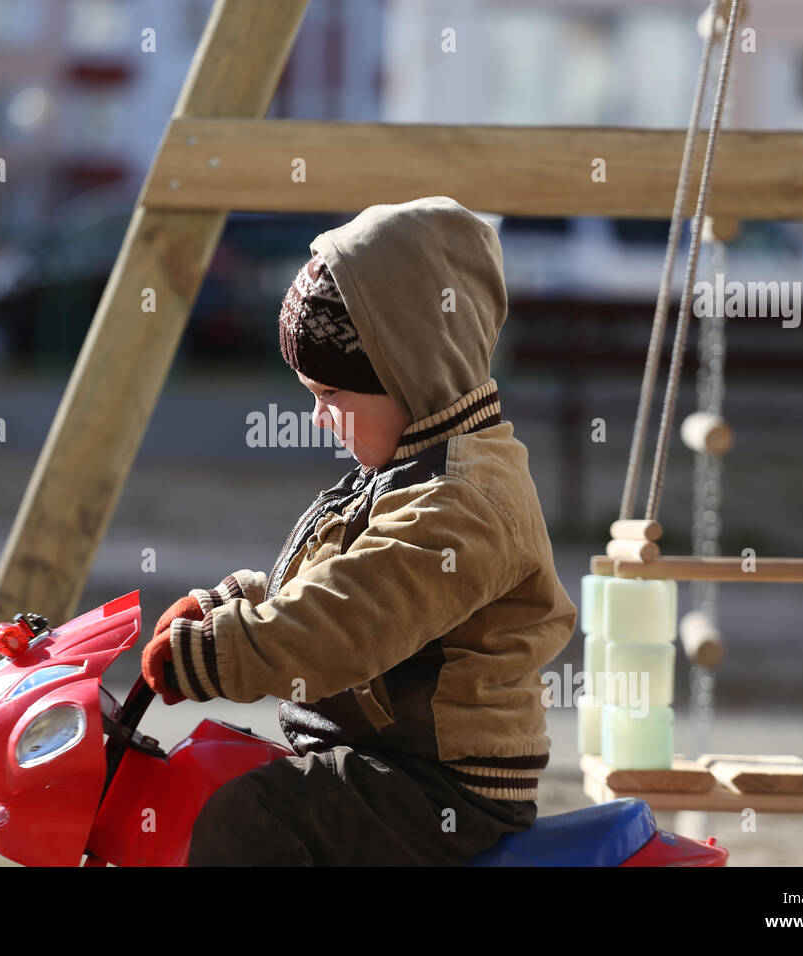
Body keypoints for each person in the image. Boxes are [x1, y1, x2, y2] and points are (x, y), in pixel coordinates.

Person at [142, 195, 578, 866]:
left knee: (249, 817)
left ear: (410, 370)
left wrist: (225, 652)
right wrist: (239, 603)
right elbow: (331, 575)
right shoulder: (409, 461)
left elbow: (354, 615)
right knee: (211, 768)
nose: (319, 417)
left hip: (442, 784)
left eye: (331, 396)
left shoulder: (464, 500)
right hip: (384, 758)